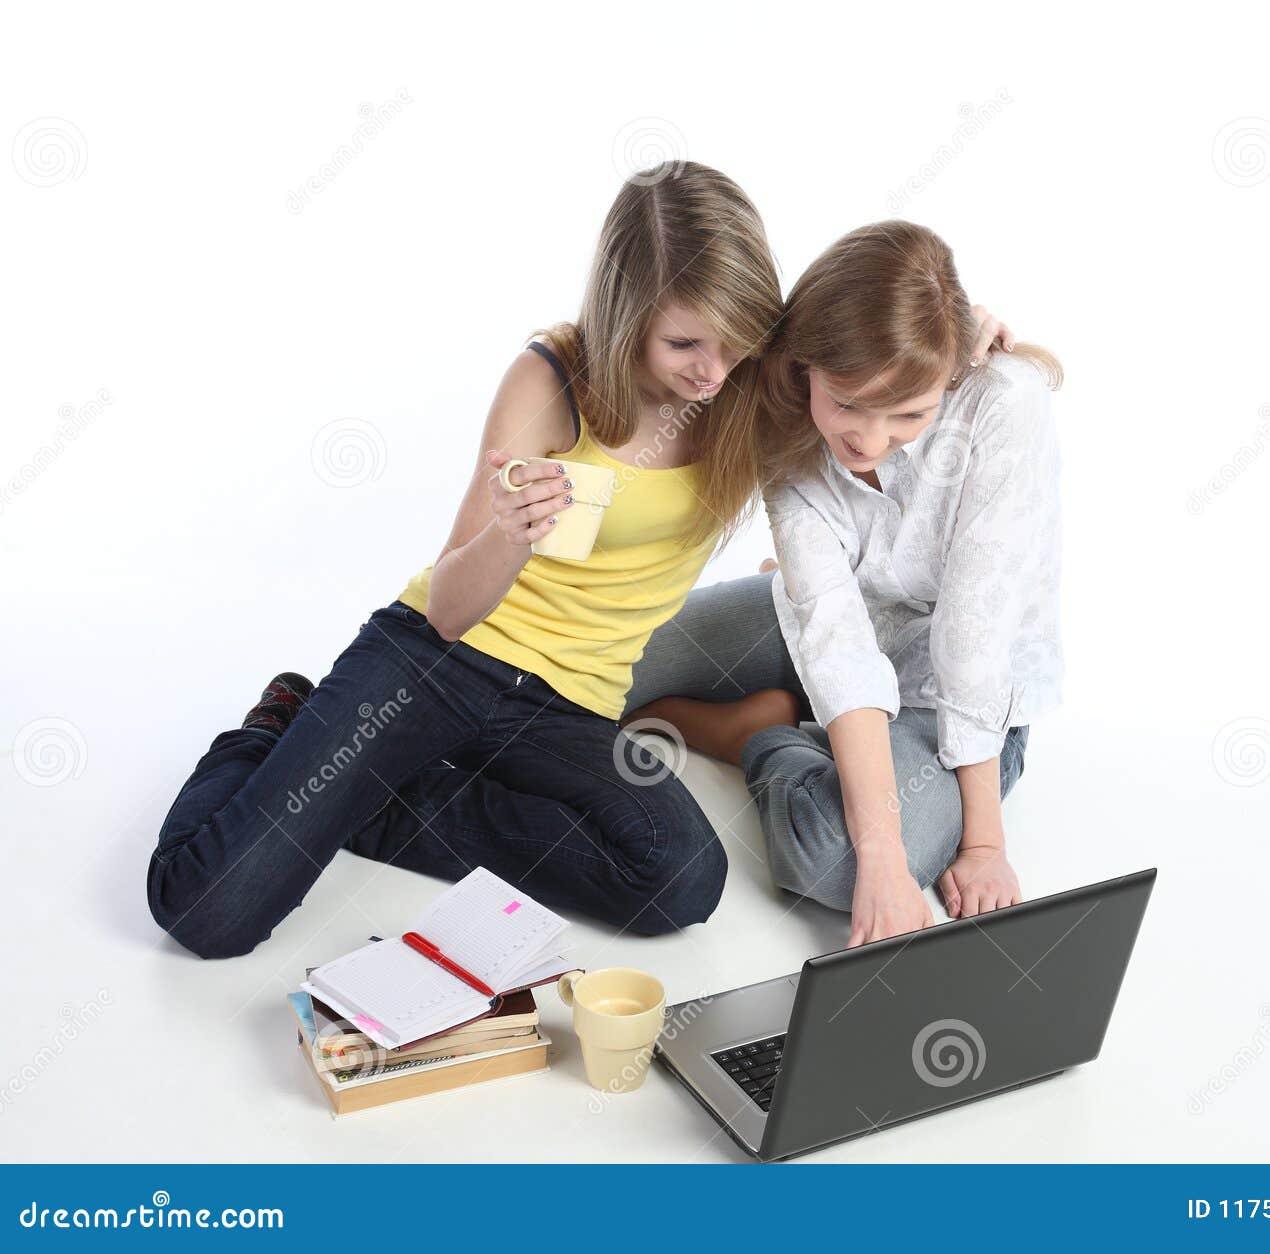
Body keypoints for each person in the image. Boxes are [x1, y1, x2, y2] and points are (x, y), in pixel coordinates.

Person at [146, 162, 785, 957]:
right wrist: (510, 534)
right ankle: (274, 730)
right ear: (626, 319)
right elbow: (449, 610)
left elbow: (862, 394)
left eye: (733, 341)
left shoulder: (752, 393)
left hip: (568, 708)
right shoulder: (554, 381)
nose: (713, 371)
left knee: (679, 876)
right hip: (437, 661)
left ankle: (365, 800)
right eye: (683, 343)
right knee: (207, 912)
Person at [625, 221, 1063, 947]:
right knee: (610, 660)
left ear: (949, 375)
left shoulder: (1003, 402)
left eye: (910, 414)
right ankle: (802, 715)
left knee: (835, 859)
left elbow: (975, 641)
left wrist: (980, 844)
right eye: (849, 404)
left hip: (954, 703)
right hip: (828, 622)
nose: (871, 439)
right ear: (806, 367)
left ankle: (762, 734)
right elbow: (834, 638)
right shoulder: (780, 417)